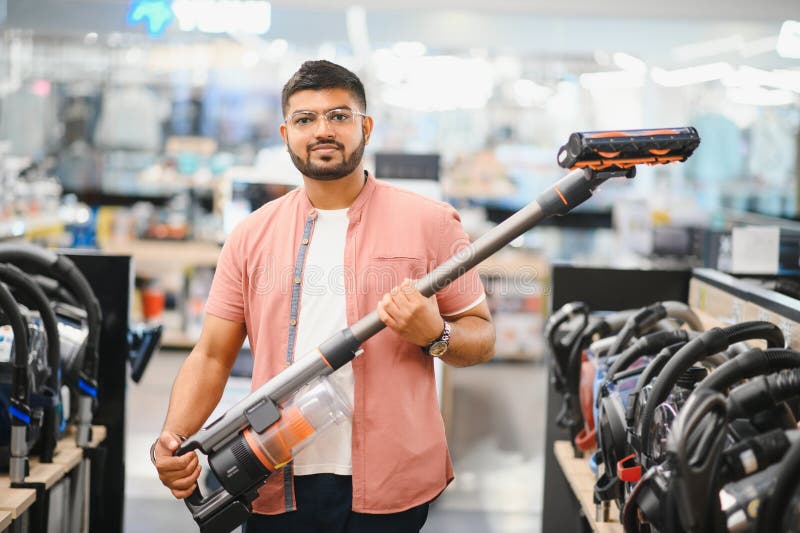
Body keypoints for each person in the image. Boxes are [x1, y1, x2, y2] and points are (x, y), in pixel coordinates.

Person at [152, 60, 495, 533]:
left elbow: (481, 337)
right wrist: (173, 436)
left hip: (392, 482)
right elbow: (212, 355)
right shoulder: (250, 235)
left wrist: (434, 334)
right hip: (274, 473)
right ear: (285, 132)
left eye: (339, 115)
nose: (322, 130)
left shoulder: (432, 223)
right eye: (305, 119)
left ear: (365, 127)